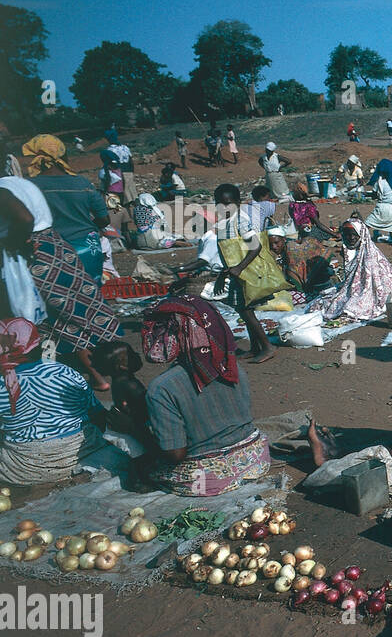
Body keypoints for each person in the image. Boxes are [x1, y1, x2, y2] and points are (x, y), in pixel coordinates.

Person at [137, 294, 271, 496]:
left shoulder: (162, 388)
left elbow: (175, 454)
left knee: (140, 466)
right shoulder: (232, 368)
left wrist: (133, 429)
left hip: (209, 477)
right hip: (257, 460)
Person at [0, 176, 120, 390]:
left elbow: (25, 219)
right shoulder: (17, 182)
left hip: (31, 252)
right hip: (55, 247)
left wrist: (12, 243)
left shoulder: (3, 191)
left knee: (36, 321)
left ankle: (41, 383)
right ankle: (98, 377)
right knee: (69, 317)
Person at [0, 318, 125, 485]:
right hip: (84, 454)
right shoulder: (63, 371)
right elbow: (98, 415)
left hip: (24, 470)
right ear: (36, 344)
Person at [198, 183, 277, 363]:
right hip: (236, 273)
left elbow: (255, 246)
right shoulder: (225, 223)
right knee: (243, 310)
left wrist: (239, 268)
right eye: (220, 204)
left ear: (238, 203)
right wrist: (224, 274)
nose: (225, 208)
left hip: (245, 271)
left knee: (246, 310)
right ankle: (255, 347)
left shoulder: (240, 221)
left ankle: (267, 346)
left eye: (229, 204)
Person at [24, 134, 110, 281]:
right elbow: (104, 219)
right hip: (87, 249)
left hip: (48, 253)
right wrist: (88, 227)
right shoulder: (83, 184)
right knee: (91, 294)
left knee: (56, 297)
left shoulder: (29, 186)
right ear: (63, 156)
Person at [309, 217, 392, 322]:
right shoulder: (349, 250)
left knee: (348, 307)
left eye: (354, 235)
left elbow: (370, 286)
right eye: (347, 235)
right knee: (323, 301)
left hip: (372, 291)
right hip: (356, 288)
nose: (351, 238)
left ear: (361, 235)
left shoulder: (370, 255)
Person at [364, 158, 392, 245]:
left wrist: (367, 195)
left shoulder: (380, 181)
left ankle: (359, 236)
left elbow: (375, 195)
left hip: (383, 208)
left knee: (366, 225)